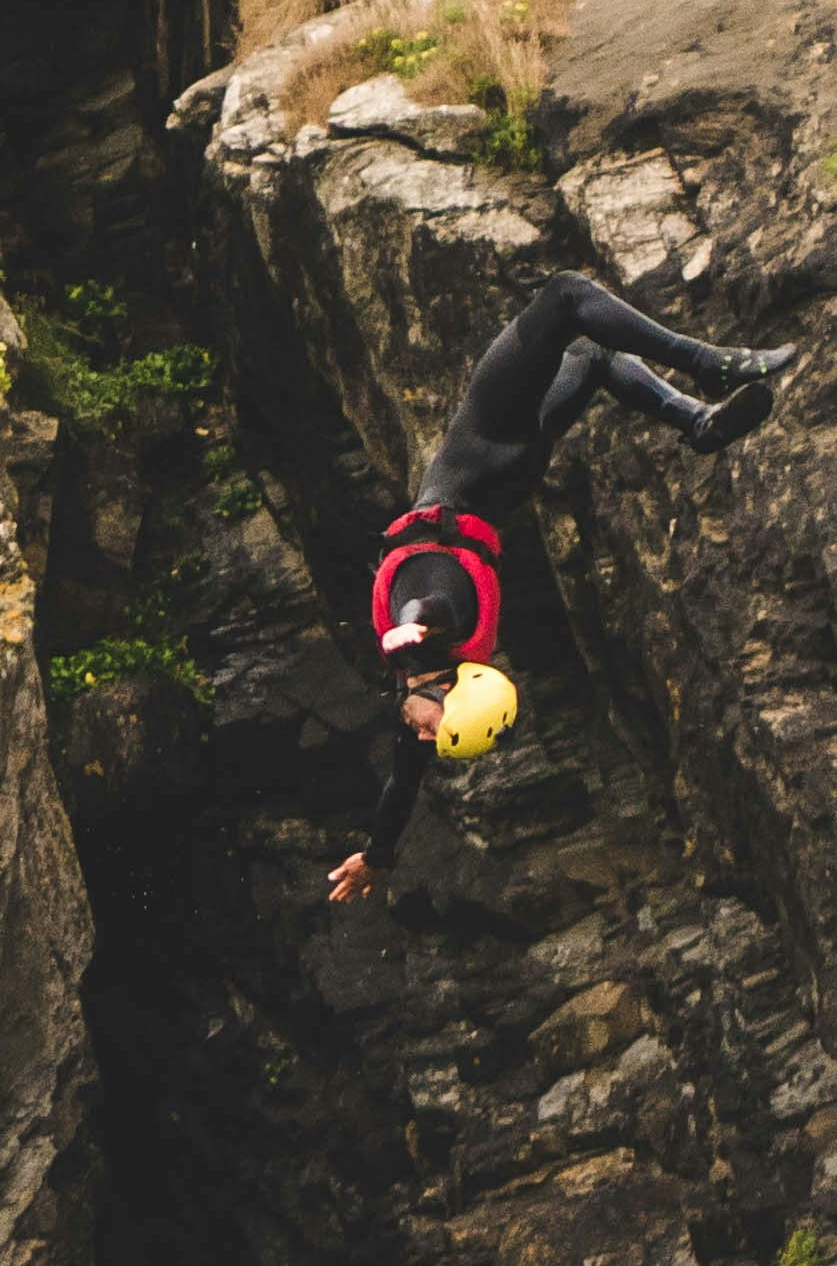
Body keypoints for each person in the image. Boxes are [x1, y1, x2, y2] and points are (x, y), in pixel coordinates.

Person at [328, 272, 795, 900]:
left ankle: (698, 421)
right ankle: (709, 364)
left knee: (593, 357)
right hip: (485, 449)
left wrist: (379, 856)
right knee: (567, 297)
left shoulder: (428, 686)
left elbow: (401, 787)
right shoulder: (432, 640)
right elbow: (430, 604)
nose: (418, 735)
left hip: (511, 477)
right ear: (449, 685)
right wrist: (411, 631)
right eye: (433, 728)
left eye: (427, 737)